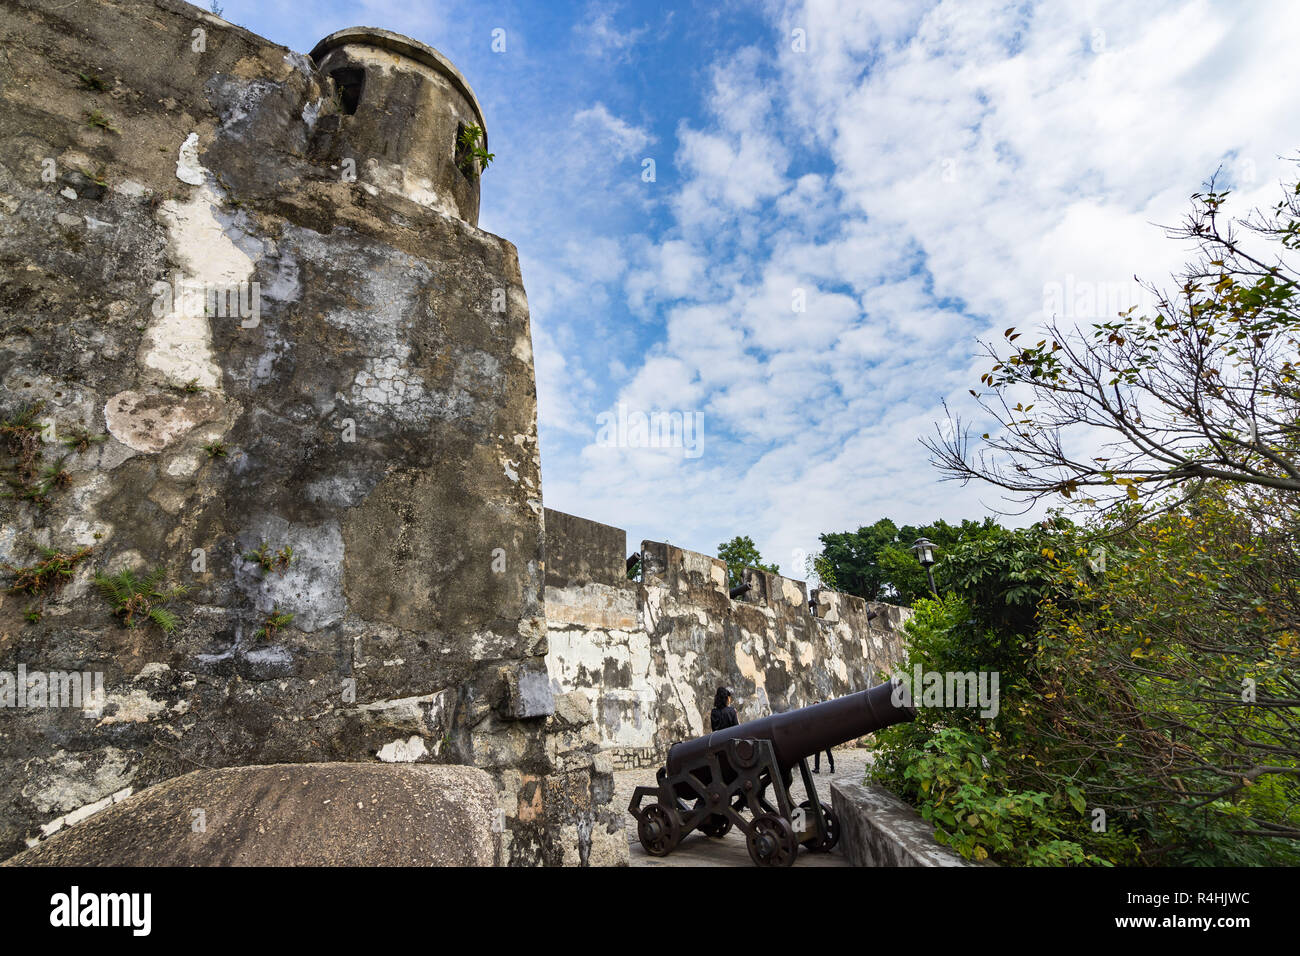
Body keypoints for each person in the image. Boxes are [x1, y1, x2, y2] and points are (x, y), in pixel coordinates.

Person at [811, 700, 835, 773]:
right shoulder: (813, 716)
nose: (815, 706)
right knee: (817, 753)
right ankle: (817, 768)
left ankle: (832, 768)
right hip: (818, 737)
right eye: (814, 705)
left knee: (828, 753)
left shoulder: (823, 714)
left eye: (817, 705)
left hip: (825, 736)